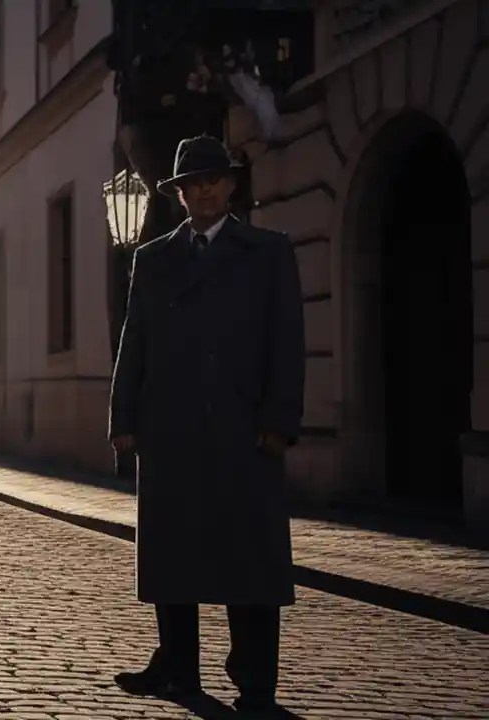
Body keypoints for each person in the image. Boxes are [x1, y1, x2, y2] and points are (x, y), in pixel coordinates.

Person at [107, 135, 305, 714]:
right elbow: (134, 342)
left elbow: (287, 345)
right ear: (180, 194)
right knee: (175, 556)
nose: (206, 190)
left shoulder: (267, 251)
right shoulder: (154, 257)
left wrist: (279, 421)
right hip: (170, 429)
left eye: (215, 180)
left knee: (251, 561)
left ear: (232, 185)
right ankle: (178, 668)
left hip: (244, 430)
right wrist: (123, 418)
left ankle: (256, 684)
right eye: (194, 183)